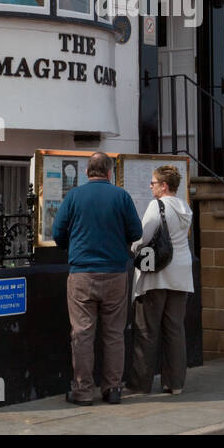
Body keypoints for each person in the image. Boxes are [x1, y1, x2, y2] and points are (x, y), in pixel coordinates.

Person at [51, 152, 142, 405]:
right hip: (115, 273)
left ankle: (82, 392)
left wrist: (76, 244)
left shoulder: (74, 196)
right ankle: (113, 390)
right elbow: (136, 232)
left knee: (82, 334)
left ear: (86, 172)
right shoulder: (121, 196)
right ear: (109, 173)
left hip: (82, 273)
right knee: (114, 334)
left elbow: (58, 234)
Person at [126, 165, 194, 396]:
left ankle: (139, 384)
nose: (150, 186)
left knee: (147, 330)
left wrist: (131, 246)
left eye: (153, 183)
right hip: (181, 273)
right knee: (175, 329)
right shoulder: (185, 206)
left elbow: (142, 239)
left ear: (164, 186)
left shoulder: (158, 205)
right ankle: (175, 383)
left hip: (157, 274)